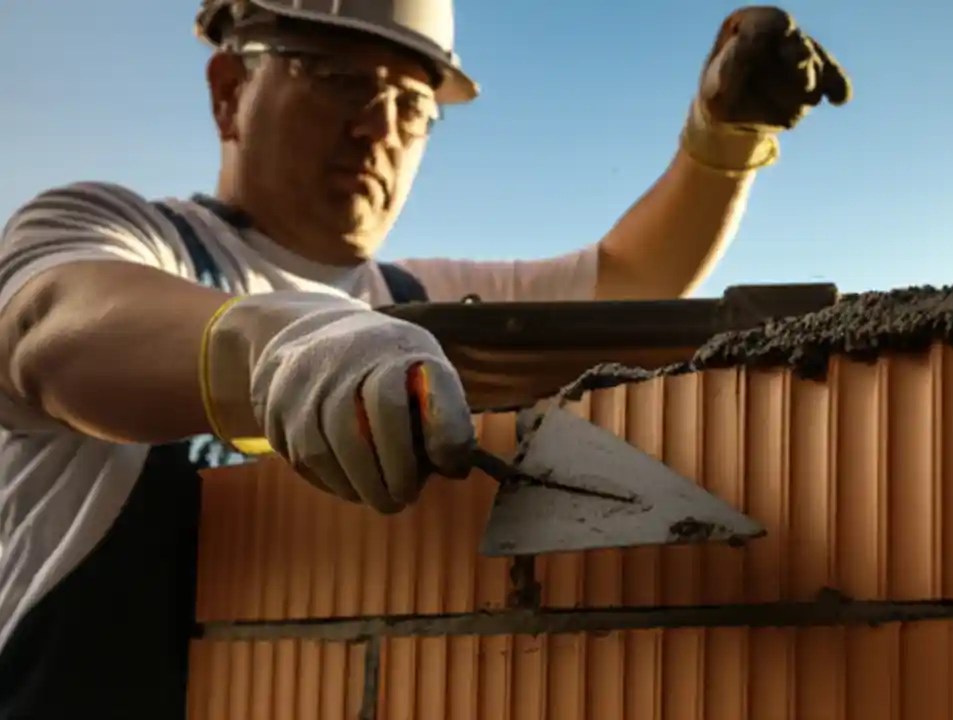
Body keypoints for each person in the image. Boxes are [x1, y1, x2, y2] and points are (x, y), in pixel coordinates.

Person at [0, 0, 849, 716]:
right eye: (337, 78)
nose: (378, 128)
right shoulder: (118, 236)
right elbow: (51, 327)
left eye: (411, 106)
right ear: (231, 91)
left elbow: (630, 281)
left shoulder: (414, 302)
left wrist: (720, 143)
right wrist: (282, 344)